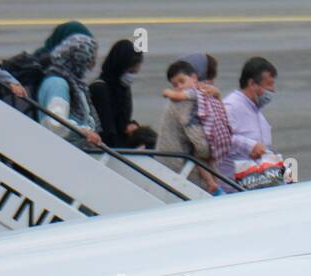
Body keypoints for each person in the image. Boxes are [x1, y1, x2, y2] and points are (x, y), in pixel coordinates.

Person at [156, 60, 215, 190]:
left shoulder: (184, 100)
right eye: (175, 85)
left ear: (194, 78)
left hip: (165, 164)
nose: (180, 87)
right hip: (179, 168)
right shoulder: (184, 103)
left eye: (182, 81)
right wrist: (214, 150)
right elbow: (200, 144)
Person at [37, 34, 102, 146]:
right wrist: (83, 131)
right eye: (90, 59)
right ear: (79, 59)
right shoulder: (58, 83)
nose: (93, 65)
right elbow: (55, 123)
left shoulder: (73, 83)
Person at [223, 56, 276, 179]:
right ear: (252, 83)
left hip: (257, 181)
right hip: (233, 187)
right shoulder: (231, 106)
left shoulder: (256, 111)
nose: (273, 90)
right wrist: (249, 145)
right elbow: (218, 139)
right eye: (269, 84)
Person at [88, 38, 142, 148]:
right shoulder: (100, 89)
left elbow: (122, 120)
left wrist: (131, 125)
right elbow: (108, 132)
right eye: (130, 72)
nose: (131, 76)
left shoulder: (122, 88)